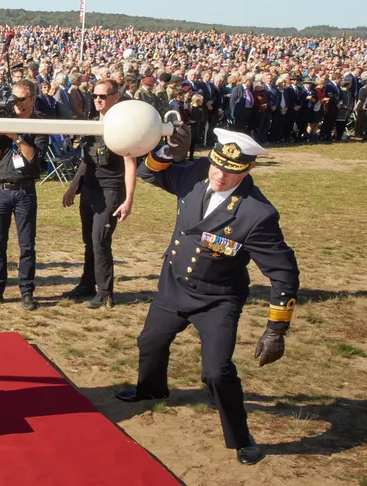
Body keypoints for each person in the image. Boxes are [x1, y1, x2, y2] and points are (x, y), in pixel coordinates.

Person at [117, 127, 299, 466]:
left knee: (216, 372)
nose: (219, 175)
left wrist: (276, 328)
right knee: (150, 342)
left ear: (249, 170)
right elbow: (147, 173)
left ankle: (241, 438)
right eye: (217, 166)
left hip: (218, 298)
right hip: (174, 286)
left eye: (230, 171)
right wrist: (166, 151)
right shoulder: (200, 172)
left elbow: (284, 272)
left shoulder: (257, 213)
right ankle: (152, 389)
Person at [62, 79, 138, 309]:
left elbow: (130, 164)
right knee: (89, 240)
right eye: (94, 95)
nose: (97, 100)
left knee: (100, 240)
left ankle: (105, 292)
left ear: (116, 97)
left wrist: (128, 200)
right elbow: (86, 160)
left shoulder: (122, 127)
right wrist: (74, 186)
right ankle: (87, 284)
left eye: (103, 96)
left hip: (110, 191)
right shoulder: (92, 125)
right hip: (90, 189)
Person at [0, 80, 47, 310]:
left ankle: (26, 292)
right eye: (15, 98)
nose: (17, 103)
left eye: (23, 98)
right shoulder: (3, 118)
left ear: (33, 98)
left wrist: (15, 136)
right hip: (0, 189)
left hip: (24, 190)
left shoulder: (39, 124)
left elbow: (33, 157)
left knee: (26, 245)